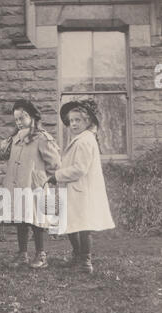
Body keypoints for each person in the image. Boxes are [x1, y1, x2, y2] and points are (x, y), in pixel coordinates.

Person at [0, 99, 61, 269]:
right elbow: (2, 151)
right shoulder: (15, 138)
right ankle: (22, 254)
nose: (19, 123)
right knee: (21, 219)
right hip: (17, 186)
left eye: (22, 118)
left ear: (32, 117)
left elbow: (55, 162)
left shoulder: (42, 138)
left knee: (36, 220)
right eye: (16, 119)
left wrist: (46, 179)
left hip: (34, 186)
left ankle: (41, 255)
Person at [48, 99, 115, 274]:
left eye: (78, 120)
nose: (74, 124)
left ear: (87, 122)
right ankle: (77, 256)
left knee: (83, 226)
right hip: (75, 189)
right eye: (71, 121)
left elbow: (80, 169)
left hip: (82, 190)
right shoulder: (80, 139)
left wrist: (57, 176)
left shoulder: (86, 140)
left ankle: (85, 260)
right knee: (71, 223)